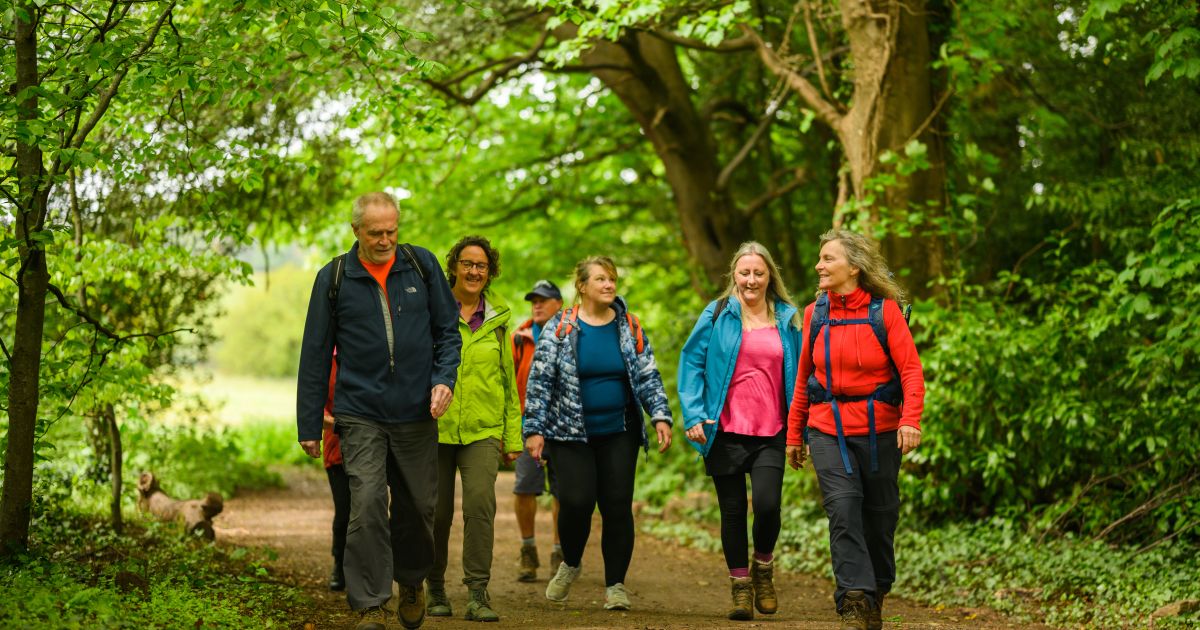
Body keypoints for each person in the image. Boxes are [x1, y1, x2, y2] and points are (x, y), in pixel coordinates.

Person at [297, 192, 461, 630]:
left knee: (418, 509)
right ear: (356, 231)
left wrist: (444, 379)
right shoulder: (334, 277)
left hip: (416, 412)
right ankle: (371, 603)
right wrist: (309, 421)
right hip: (360, 413)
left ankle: (410, 580)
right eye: (376, 233)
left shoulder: (421, 266)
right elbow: (315, 353)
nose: (386, 240)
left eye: (392, 230)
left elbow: (448, 331)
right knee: (367, 502)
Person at [786, 229, 925, 630]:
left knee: (880, 517)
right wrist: (795, 434)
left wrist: (910, 419)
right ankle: (854, 599)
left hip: (880, 430)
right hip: (827, 429)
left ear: (854, 267)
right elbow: (803, 378)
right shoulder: (815, 314)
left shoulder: (886, 312)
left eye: (828, 258)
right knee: (843, 509)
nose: (819, 266)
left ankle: (876, 590)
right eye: (820, 258)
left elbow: (911, 371)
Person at [522, 255, 674, 611]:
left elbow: (648, 374)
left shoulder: (628, 326)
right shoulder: (560, 327)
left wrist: (660, 415)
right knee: (576, 501)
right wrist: (534, 429)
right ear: (582, 286)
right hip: (569, 433)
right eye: (601, 279)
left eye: (612, 279)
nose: (609, 285)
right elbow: (540, 381)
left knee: (617, 505)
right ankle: (571, 563)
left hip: (619, 431)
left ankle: (615, 585)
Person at [678, 242, 802, 621]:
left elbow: (802, 373)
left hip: (772, 430)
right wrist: (693, 414)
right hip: (724, 428)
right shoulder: (717, 313)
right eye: (745, 272)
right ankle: (741, 587)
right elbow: (692, 362)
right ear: (734, 273)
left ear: (769, 277)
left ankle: (763, 567)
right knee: (732, 512)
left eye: (758, 273)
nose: (751, 280)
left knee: (767, 505)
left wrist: (802, 428)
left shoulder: (787, 318)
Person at [425, 236, 523, 622]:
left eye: (481, 266)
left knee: (481, 508)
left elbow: (508, 382)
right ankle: (434, 587)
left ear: (490, 272)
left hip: (484, 428)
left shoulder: (498, 321)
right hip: (436, 427)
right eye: (467, 263)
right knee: (436, 513)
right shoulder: (433, 311)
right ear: (454, 267)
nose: (473, 271)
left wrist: (512, 437)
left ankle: (478, 592)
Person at [511, 280, 564, 582]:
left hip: (563, 427)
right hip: (526, 425)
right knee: (524, 488)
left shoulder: (571, 333)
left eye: (543, 299)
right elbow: (508, 384)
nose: (537, 305)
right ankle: (527, 550)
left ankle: (560, 552)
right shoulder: (519, 337)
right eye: (534, 300)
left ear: (559, 303)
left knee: (563, 491)